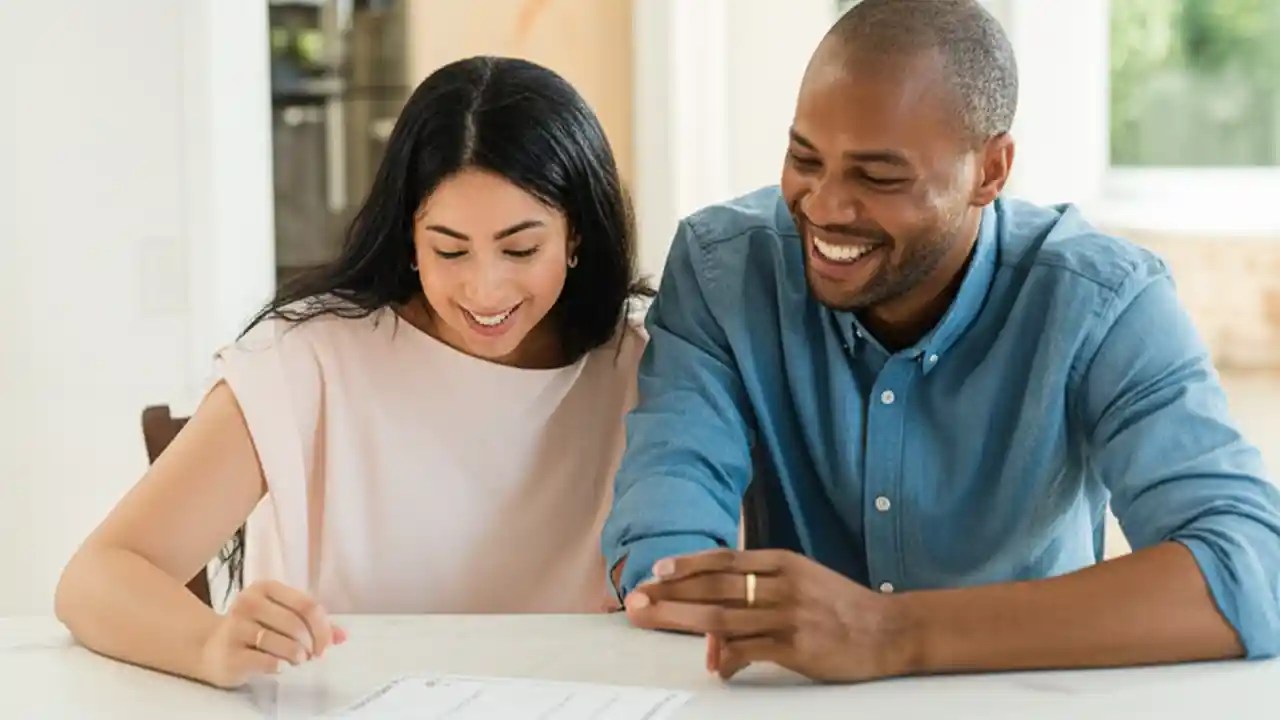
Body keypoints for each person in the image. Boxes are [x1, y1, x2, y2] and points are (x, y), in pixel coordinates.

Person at [603, 0, 1280, 683]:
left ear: (990, 171)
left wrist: (889, 634)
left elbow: (1253, 566)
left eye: (879, 177)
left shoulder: (1102, 301)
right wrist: (681, 579)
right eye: (804, 158)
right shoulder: (722, 268)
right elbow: (664, 540)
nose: (825, 205)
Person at [55, 56, 648, 689]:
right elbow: (98, 576)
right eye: (449, 249)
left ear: (576, 236)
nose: (485, 288)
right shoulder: (307, 360)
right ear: (410, 240)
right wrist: (208, 643)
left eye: (521, 249)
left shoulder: (641, 368)